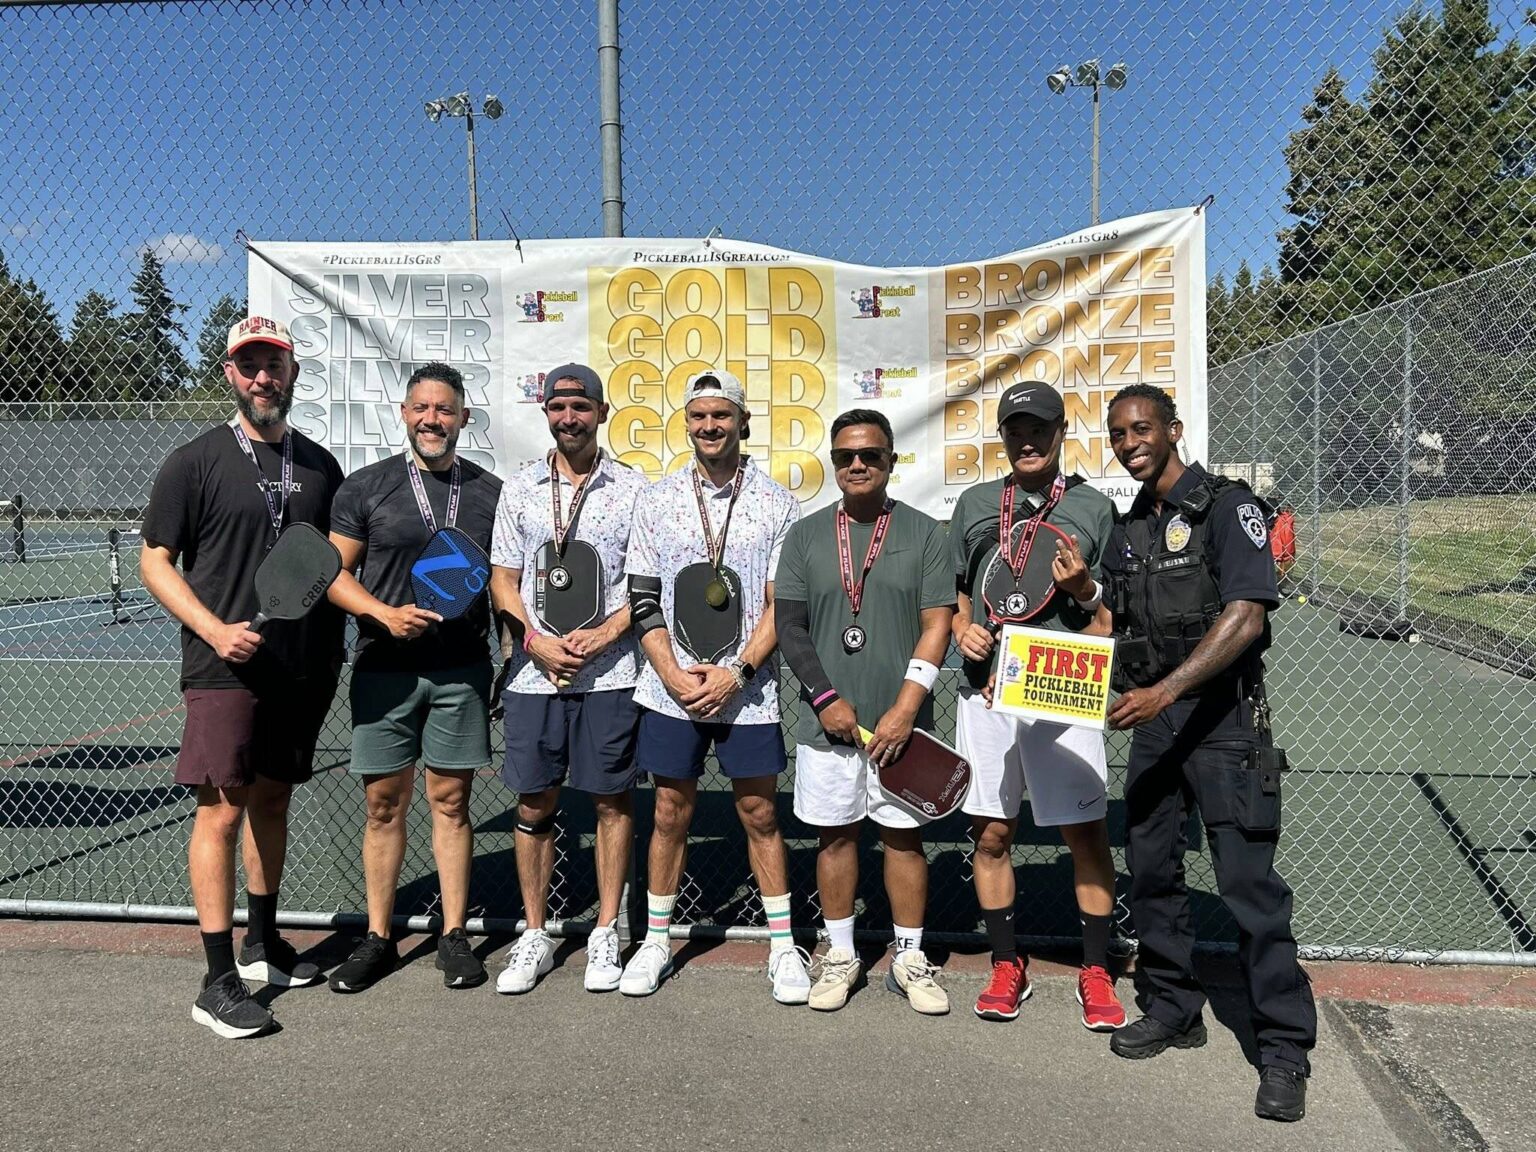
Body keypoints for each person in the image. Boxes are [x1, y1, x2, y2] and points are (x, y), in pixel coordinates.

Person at [1102, 383, 1316, 1123]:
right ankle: (1173, 1008)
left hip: (1223, 723)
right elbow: (1114, 625)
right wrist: (1083, 597)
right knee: (1153, 870)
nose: (1130, 442)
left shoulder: (1229, 507)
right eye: (1119, 434)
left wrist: (1165, 693)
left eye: (1142, 428)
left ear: (1173, 429)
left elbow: (1247, 617)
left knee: (1248, 887)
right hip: (1155, 728)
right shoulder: (1128, 528)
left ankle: (1285, 1047)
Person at [140, 316, 345, 1038]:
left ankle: (264, 942)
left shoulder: (319, 466)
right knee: (222, 810)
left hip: (301, 669)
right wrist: (213, 629)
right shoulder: (193, 462)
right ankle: (216, 979)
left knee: (273, 801)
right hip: (222, 667)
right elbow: (155, 559)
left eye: (274, 364)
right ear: (229, 373)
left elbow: (332, 566)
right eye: (249, 364)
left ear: (292, 373)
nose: (263, 377)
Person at [619, 369, 810, 1003]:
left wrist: (738, 672)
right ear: (687, 424)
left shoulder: (779, 503)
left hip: (746, 690)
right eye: (699, 416)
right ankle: (654, 942)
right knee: (670, 813)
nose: (710, 427)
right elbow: (642, 598)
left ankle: (783, 949)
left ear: (742, 422)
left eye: (721, 416)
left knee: (759, 813)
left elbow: (782, 606)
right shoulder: (658, 498)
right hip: (668, 689)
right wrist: (672, 674)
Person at [947, 381, 1127, 1031]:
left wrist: (1084, 589)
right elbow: (957, 593)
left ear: (1060, 433)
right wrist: (961, 627)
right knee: (990, 832)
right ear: (1003, 435)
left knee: (1085, 833)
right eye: (1015, 428)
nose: (1028, 439)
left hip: (1058, 687)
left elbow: (1109, 618)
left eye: (1040, 428)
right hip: (988, 693)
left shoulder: (1093, 508)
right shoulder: (972, 504)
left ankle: (1096, 969)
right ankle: (1005, 962)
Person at [323, 362, 502, 993]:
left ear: (463, 418)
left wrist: (509, 653)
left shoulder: (490, 491)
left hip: (459, 670)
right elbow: (332, 574)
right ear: (404, 414)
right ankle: (378, 936)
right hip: (384, 670)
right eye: (422, 409)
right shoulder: (366, 488)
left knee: (451, 803)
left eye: (445, 410)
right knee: (382, 805)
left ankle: (454, 935)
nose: (433, 420)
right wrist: (381, 613)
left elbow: (503, 585)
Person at [774, 409, 955, 1014]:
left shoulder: (927, 533)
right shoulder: (803, 535)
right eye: (847, 455)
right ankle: (842, 955)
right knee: (834, 838)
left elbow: (938, 625)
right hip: (828, 724)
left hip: (903, 728)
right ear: (833, 461)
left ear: (891, 462)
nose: (858, 464)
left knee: (903, 840)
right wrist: (825, 698)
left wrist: (907, 707)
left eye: (871, 455)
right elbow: (791, 628)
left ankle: (908, 958)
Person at [487, 363, 648, 995]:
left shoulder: (634, 489)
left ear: (602, 413)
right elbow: (504, 578)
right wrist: (535, 642)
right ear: (545, 413)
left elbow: (642, 584)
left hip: (610, 674)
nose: (569, 417)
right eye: (557, 407)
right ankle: (535, 933)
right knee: (533, 802)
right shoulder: (520, 488)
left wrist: (604, 636)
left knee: (611, 801)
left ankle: (607, 929)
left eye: (581, 407)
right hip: (535, 676)